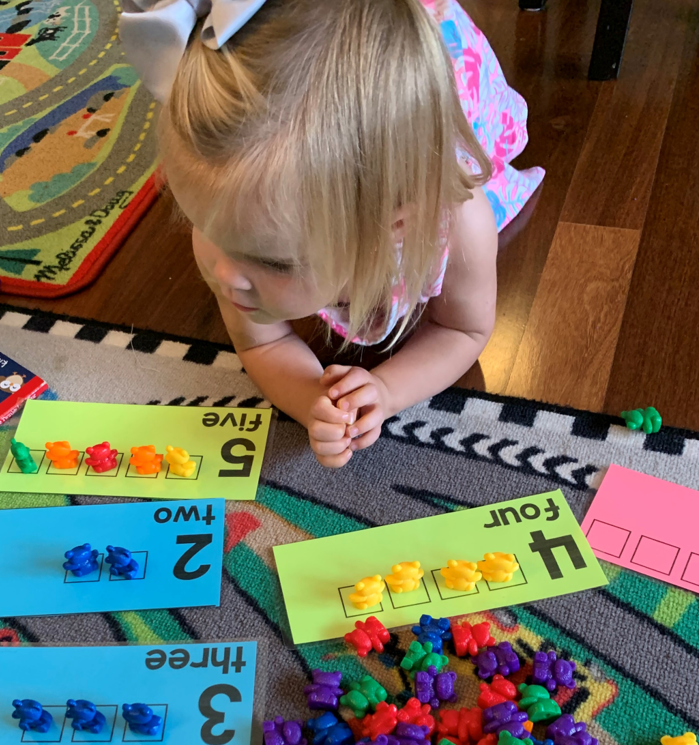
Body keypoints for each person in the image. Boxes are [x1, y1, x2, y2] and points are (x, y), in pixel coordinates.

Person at [120, 0, 544, 467]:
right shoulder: (242, 224)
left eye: (275, 261)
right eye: (201, 222)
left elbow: (463, 328)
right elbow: (262, 341)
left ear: (392, 227)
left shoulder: (461, 226)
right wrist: (308, 399)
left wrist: (388, 389)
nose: (224, 274)